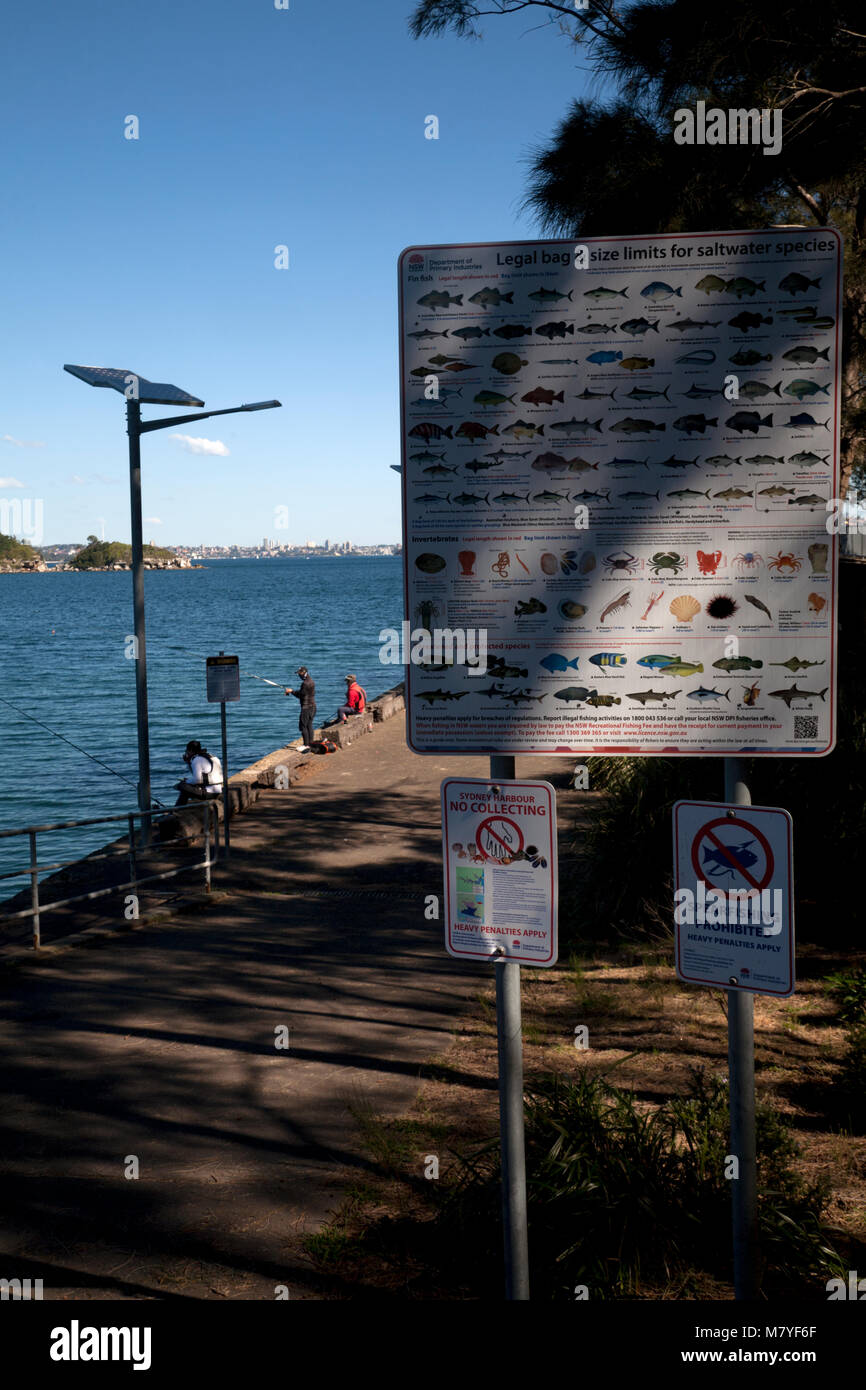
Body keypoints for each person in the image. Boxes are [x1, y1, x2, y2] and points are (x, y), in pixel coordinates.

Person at [174, 740, 224, 805]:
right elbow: (199, 777)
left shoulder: (197, 759)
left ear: (191, 750)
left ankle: (177, 809)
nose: (186, 753)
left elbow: (197, 780)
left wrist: (186, 781)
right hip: (219, 789)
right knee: (186, 788)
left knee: (181, 786)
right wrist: (188, 763)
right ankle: (178, 809)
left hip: (209, 792)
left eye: (187, 751)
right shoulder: (212, 757)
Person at [285, 665, 316, 751]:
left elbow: (301, 695)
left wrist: (291, 691)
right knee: (309, 725)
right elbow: (303, 693)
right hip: (313, 706)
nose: (298, 675)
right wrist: (292, 691)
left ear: (303, 673)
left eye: (299, 673)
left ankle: (306, 745)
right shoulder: (311, 681)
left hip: (306, 707)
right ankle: (310, 744)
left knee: (303, 726)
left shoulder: (305, 683)